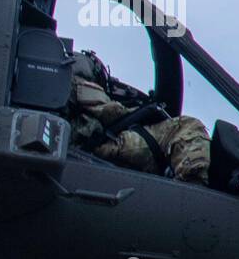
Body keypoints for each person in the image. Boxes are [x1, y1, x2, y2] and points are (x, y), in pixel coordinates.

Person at [68, 50, 210, 184]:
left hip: (85, 144)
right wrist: (142, 111)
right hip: (96, 144)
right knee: (185, 126)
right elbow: (111, 112)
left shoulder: (64, 81)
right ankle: (193, 185)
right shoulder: (73, 79)